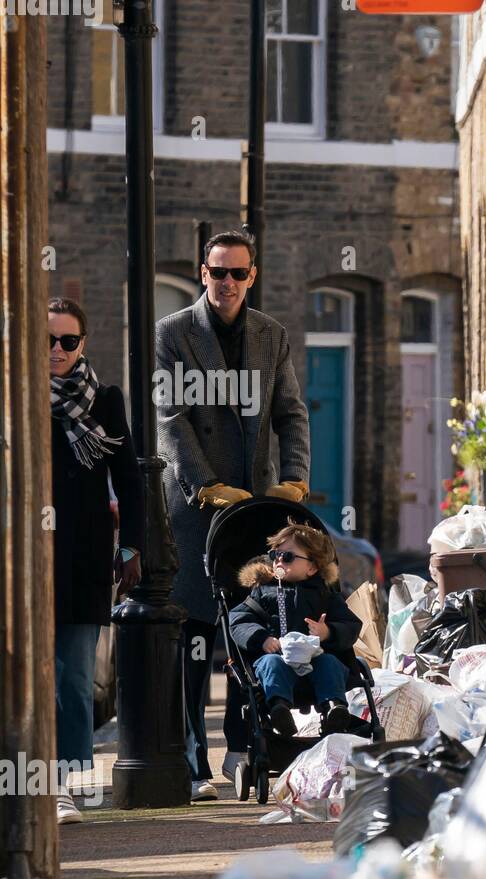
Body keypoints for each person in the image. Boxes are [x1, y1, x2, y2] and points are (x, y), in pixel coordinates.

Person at [156, 231, 311, 799]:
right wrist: (207, 484)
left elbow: (291, 413)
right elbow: (171, 420)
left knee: (253, 627)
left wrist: (295, 479)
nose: (227, 283)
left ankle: (244, 749)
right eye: (217, 273)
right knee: (196, 632)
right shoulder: (171, 334)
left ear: (252, 276)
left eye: (237, 274)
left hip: (256, 510)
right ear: (203, 274)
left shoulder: (272, 334)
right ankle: (195, 762)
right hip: (197, 509)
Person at [48, 298, 144, 825]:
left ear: (83, 344)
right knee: (22, 674)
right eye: (48, 340)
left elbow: (129, 480)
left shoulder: (105, 400)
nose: (57, 351)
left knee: (74, 678)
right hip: (24, 559)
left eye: (68, 341)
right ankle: (24, 780)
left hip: (84, 555)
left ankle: (62, 785)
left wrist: (130, 548)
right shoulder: (16, 393)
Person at [227, 522, 361, 738]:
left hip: (315, 662)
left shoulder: (325, 596)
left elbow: (351, 625)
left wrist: (328, 632)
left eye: (287, 557)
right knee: (271, 664)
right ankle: (279, 709)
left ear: (312, 567)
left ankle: (334, 708)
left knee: (330, 664)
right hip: (278, 658)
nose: (279, 560)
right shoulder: (263, 592)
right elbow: (239, 619)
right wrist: (261, 638)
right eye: (275, 555)